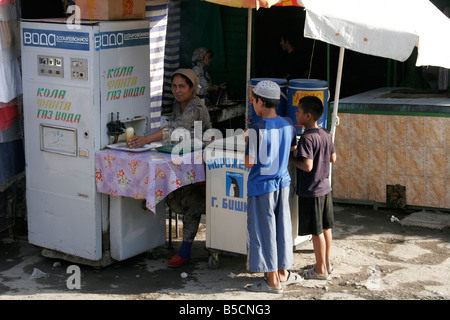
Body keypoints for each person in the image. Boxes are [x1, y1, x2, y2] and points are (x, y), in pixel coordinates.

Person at [128, 68, 212, 267]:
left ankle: (185, 250)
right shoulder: (178, 104)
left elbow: (175, 128)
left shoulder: (195, 106)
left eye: (182, 86)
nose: (177, 90)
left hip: (202, 163)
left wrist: (146, 139)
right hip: (183, 159)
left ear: (192, 88)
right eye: (174, 86)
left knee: (192, 201)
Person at [243, 80, 303, 294]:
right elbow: (293, 147)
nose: (253, 104)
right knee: (281, 228)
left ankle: (271, 281)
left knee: (263, 231)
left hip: (262, 187)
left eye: (254, 100)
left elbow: (249, 162)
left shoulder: (256, 130)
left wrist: (246, 140)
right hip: (283, 183)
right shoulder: (288, 123)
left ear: (260, 102)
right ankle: (283, 273)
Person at [290, 96, 336, 280]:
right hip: (325, 188)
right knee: (326, 228)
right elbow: (333, 159)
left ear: (308, 116)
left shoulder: (307, 138)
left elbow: (307, 166)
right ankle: (326, 263)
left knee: (316, 232)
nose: (296, 113)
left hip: (312, 190)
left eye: (299, 111)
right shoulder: (325, 133)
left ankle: (320, 271)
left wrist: (291, 159)